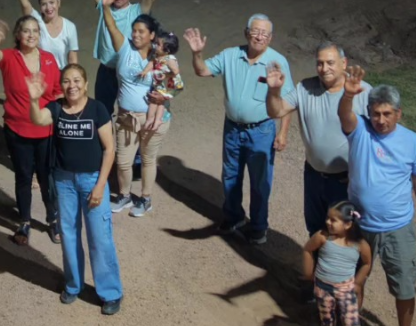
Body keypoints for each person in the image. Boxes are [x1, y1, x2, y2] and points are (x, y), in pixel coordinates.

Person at [339, 67, 416, 326]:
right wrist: (348, 94)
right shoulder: (359, 130)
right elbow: (345, 114)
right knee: (354, 282)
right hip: (359, 227)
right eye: (375, 113)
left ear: (398, 113)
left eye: (386, 114)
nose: (380, 120)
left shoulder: (411, 141)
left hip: (398, 230)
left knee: (405, 288)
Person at [182, 15, 293, 244]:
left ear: (270, 38)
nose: (259, 36)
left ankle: (259, 226)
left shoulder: (277, 62)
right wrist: (196, 53)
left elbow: (288, 101)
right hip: (232, 128)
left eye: (264, 33)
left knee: (260, 181)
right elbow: (202, 71)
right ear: (246, 33)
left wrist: (282, 133)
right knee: (230, 176)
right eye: (255, 31)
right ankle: (234, 217)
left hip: (261, 131)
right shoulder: (231, 55)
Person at [26, 65, 123, 315]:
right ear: (62, 85)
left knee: (99, 238)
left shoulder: (97, 109)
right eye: (67, 81)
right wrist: (35, 99)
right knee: (69, 235)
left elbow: (109, 149)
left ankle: (110, 293)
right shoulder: (56, 108)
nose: (72, 86)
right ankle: (73, 285)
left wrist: (101, 185)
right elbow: (38, 120)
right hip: (64, 181)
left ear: (86, 83)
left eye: (77, 80)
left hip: (92, 181)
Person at [266, 43, 368, 237]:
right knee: (315, 229)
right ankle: (316, 266)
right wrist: (273, 91)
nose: (324, 68)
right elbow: (276, 110)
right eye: (320, 63)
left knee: (345, 235)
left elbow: (377, 138)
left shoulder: (362, 93)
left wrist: (359, 172)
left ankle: (342, 267)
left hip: (344, 181)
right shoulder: (305, 88)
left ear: (344, 63)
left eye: (330, 63)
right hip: (313, 175)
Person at [71, 0, 181, 114]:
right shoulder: (104, 5)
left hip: (131, 69)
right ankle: (106, 142)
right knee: (103, 112)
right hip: (107, 69)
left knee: (132, 110)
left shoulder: (137, 10)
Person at [0, 14, 61, 246]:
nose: (31, 35)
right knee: (23, 177)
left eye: (35, 31)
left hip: (46, 130)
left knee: (47, 177)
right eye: (26, 31)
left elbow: (58, 91)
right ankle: (25, 221)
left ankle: (53, 219)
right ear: (17, 35)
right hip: (17, 130)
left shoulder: (49, 59)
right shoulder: (10, 57)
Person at [99, 0, 171, 218]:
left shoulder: (161, 55)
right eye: (134, 31)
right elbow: (110, 26)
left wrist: (166, 96)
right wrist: (106, 6)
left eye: (141, 31)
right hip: (126, 118)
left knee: (149, 159)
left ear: (152, 35)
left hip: (154, 120)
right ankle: (124, 196)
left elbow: (175, 84)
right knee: (123, 161)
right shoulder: (124, 49)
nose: (136, 35)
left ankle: (146, 199)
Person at [302, 202, 379, 326]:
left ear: (347, 224)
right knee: (327, 325)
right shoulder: (322, 237)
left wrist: (359, 282)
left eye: (333, 220)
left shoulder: (360, 245)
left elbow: (367, 264)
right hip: (323, 290)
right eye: (328, 218)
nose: (328, 222)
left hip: (345, 291)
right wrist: (309, 272)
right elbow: (307, 249)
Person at [10, 0, 79, 66]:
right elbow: (25, 3)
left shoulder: (70, 27)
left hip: (61, 76)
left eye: (52, 2)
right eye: (44, 4)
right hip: (41, 75)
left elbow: (73, 60)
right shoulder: (37, 21)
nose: (48, 8)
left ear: (58, 3)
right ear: (40, 7)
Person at [139, 31, 183, 133]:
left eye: (158, 44)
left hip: (169, 83)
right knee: (160, 101)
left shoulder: (169, 59)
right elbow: (152, 63)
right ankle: (157, 120)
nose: (155, 45)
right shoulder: (157, 55)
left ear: (167, 50)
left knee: (155, 101)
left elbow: (176, 71)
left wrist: (166, 75)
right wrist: (145, 71)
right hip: (160, 82)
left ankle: (151, 119)